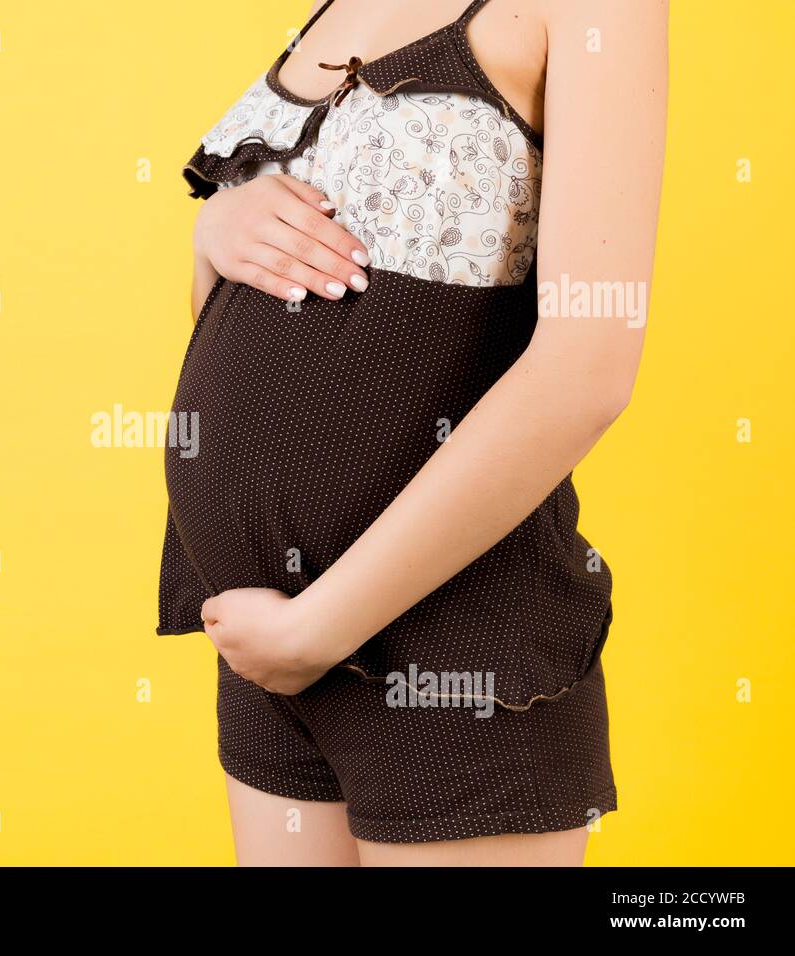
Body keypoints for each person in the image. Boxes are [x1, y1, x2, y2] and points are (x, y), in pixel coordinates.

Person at [156, 0, 667, 866]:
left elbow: (588, 367)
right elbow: (247, 323)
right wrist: (215, 234)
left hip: (450, 639)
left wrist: (321, 626)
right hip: (265, 641)